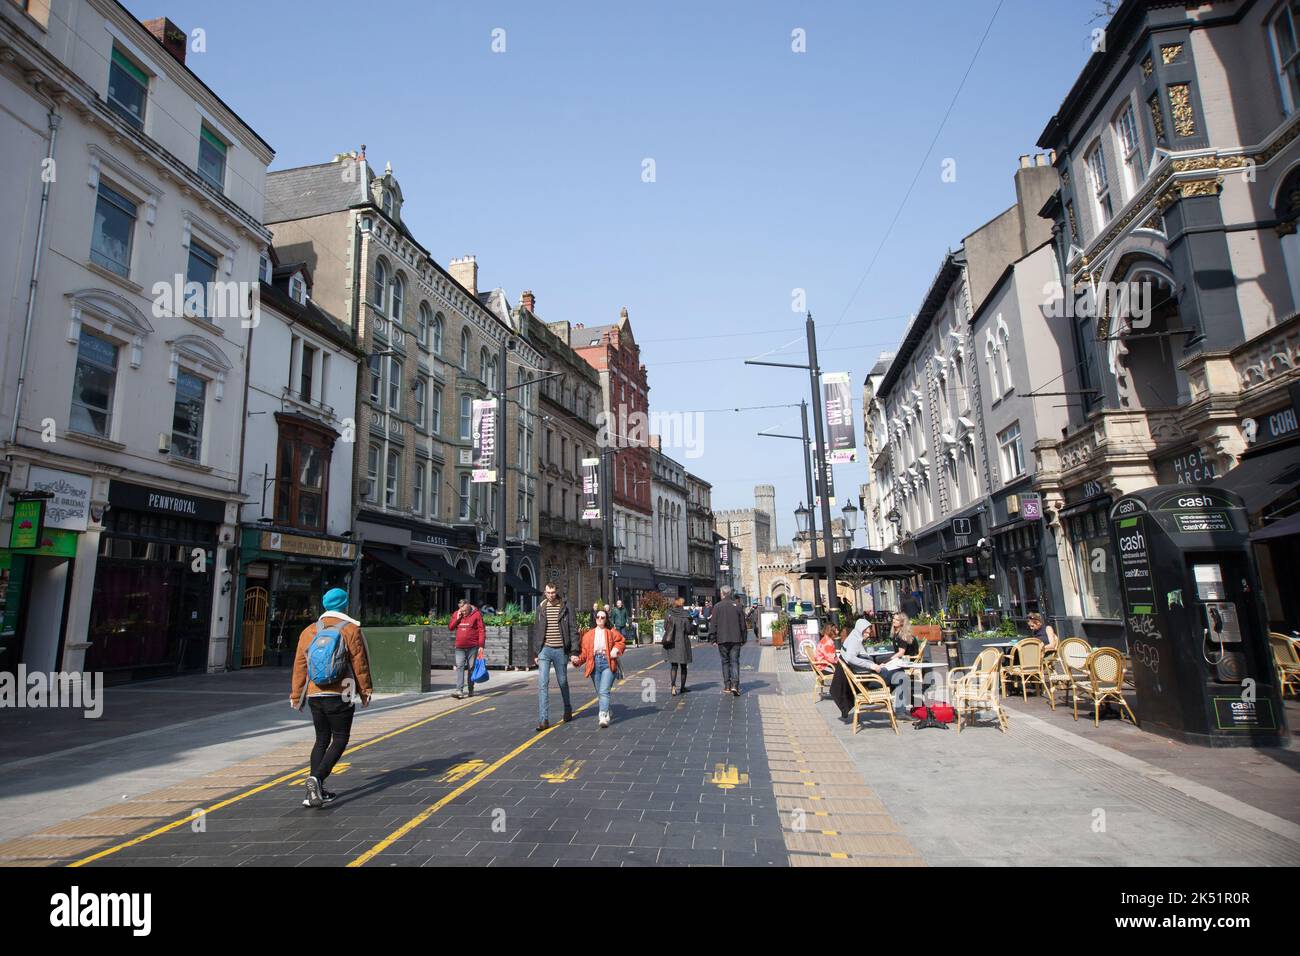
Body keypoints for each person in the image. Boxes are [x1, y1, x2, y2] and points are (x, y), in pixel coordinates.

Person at [290, 588, 372, 808]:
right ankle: (317, 778)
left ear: (325, 605)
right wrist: (365, 691)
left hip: (316, 693)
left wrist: (297, 695)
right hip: (341, 692)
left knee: (321, 739)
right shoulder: (351, 629)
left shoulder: (309, 630)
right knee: (340, 738)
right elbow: (359, 663)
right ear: (344, 605)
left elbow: (300, 664)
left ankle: (313, 792)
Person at [530, 583, 575, 731]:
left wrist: (574, 651)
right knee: (543, 684)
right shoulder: (541, 607)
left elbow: (573, 629)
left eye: (553, 592)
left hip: (561, 650)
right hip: (545, 650)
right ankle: (543, 719)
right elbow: (536, 630)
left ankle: (567, 708)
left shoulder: (566, 606)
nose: (550, 595)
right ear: (545, 592)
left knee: (562, 682)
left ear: (557, 592)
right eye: (548, 593)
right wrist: (536, 652)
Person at [571, 606, 626, 727]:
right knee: (600, 692)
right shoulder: (588, 635)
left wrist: (616, 649)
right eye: (598, 617)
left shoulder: (611, 632)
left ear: (606, 619)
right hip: (594, 664)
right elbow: (585, 653)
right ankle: (607, 709)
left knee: (604, 691)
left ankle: (603, 716)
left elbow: (621, 641)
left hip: (608, 662)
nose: (600, 619)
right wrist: (577, 661)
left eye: (603, 617)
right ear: (595, 618)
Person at [713, 585, 747, 696]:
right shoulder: (737, 606)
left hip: (722, 639)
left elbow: (713, 624)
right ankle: (735, 685)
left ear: (722, 594)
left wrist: (713, 638)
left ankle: (727, 686)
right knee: (734, 662)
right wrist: (744, 638)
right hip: (736, 639)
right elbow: (743, 624)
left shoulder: (717, 606)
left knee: (725, 662)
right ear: (730, 594)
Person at [449, 598, 485, 699]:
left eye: (465, 611)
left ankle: (471, 689)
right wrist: (458, 618)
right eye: (461, 610)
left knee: (471, 668)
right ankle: (459, 690)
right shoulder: (457, 613)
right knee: (460, 667)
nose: (463, 612)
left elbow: (482, 630)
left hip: (472, 647)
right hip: (459, 647)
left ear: (469, 607)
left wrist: (481, 646)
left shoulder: (476, 614)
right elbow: (451, 627)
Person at [662, 597, 693, 695]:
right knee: (683, 666)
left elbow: (665, 627)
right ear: (682, 604)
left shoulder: (669, 613)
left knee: (674, 666)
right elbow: (688, 630)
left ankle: (673, 687)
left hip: (671, 642)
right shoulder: (685, 614)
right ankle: (683, 687)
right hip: (683, 642)